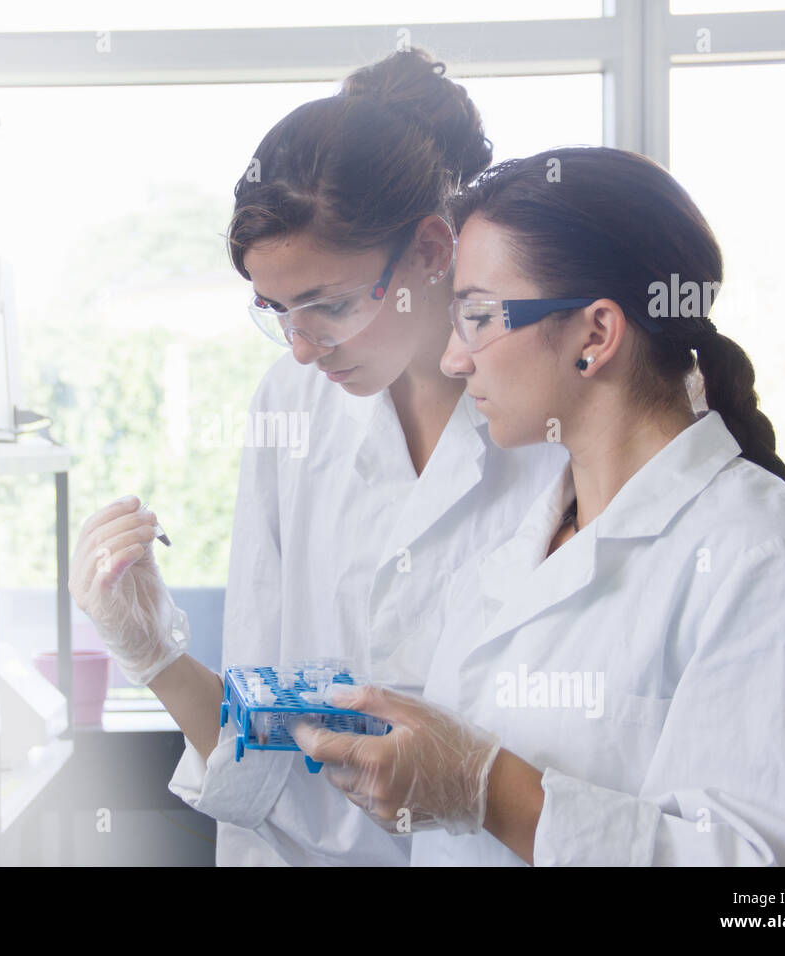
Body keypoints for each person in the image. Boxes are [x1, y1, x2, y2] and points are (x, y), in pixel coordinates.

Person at [294, 145, 785, 865]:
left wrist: (491, 791)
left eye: (479, 317)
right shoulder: (518, 554)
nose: (457, 359)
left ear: (596, 335)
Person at [70, 50, 568, 865]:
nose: (303, 348)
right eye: (276, 311)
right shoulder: (290, 405)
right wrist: (154, 652)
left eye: (329, 305)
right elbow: (259, 746)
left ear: (432, 251)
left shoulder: (553, 413)